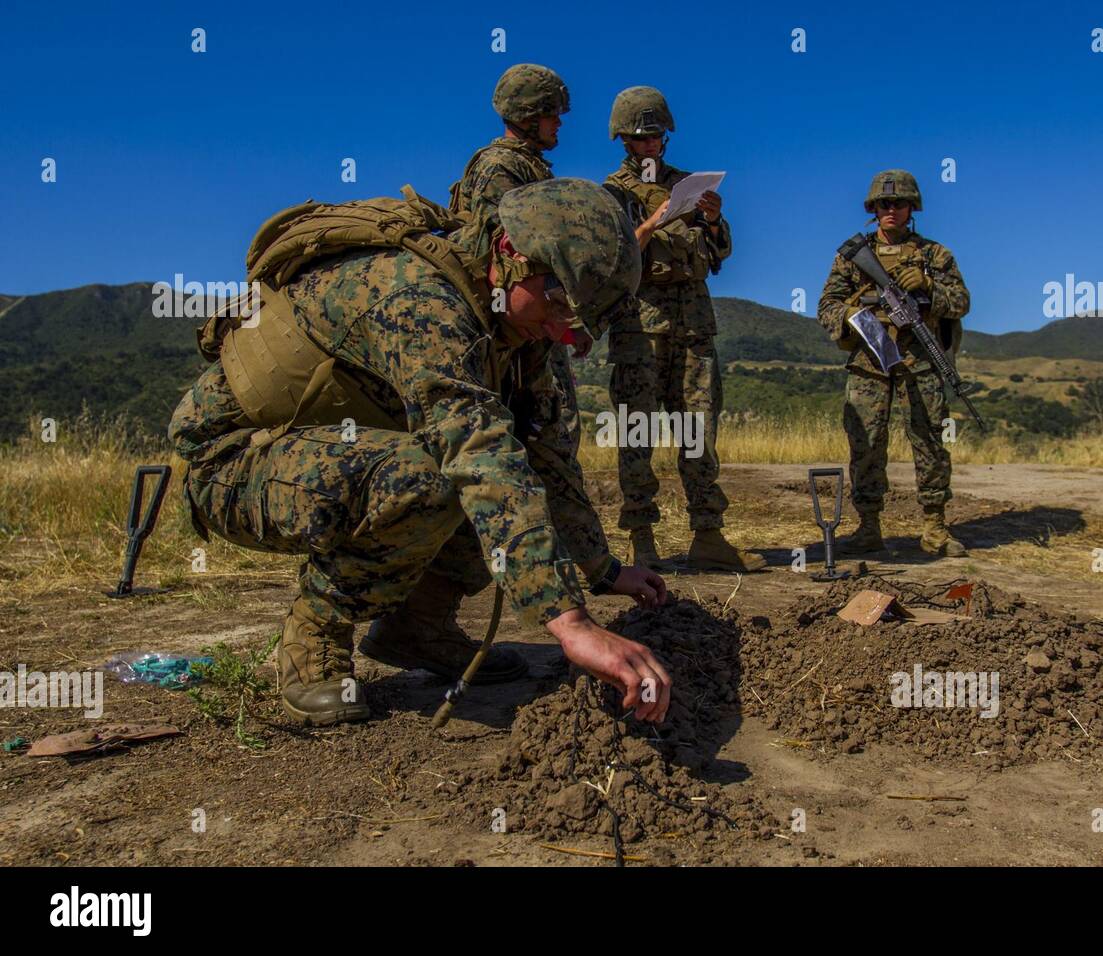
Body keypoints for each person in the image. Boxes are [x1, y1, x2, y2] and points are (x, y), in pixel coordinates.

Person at [169, 179, 671, 726]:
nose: (562, 330)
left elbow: (545, 456)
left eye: (577, 319)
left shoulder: (518, 328)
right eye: (556, 303)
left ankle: (418, 629)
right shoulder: (417, 299)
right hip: (232, 465)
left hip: (338, 457)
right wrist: (569, 622)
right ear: (509, 255)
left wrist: (602, 568)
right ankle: (316, 630)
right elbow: (478, 455)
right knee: (436, 478)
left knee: (499, 480)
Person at [601, 85, 764, 573]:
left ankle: (708, 535)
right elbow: (609, 257)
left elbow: (719, 253)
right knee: (637, 432)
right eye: (641, 137)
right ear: (624, 139)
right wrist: (649, 225)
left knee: (698, 432)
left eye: (657, 136)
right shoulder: (611, 192)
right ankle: (642, 540)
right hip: (640, 328)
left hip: (694, 324)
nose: (651, 144)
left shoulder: (686, 186)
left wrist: (713, 221)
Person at [816, 169, 971, 556]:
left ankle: (935, 526)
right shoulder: (852, 256)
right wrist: (856, 314)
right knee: (866, 446)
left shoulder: (935, 256)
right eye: (884, 204)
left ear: (911, 207)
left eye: (899, 203)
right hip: (870, 361)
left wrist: (929, 287)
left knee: (930, 441)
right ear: (873, 208)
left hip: (920, 362)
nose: (891, 210)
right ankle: (868, 527)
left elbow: (962, 302)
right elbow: (828, 305)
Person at [449, 63, 588, 450]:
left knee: (553, 438)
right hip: (517, 338)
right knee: (544, 440)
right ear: (528, 116)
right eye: (551, 113)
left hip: (535, 332)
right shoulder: (500, 167)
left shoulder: (528, 166)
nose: (559, 122)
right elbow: (509, 257)